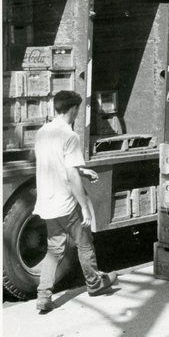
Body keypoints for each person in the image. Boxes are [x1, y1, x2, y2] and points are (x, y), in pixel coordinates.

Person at [34, 91, 118, 313]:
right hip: (66, 202)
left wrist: (83, 169)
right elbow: (71, 177)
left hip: (46, 201)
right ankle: (94, 283)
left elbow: (56, 162)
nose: (78, 114)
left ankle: (43, 295)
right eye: (78, 110)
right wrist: (84, 207)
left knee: (54, 248)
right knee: (84, 241)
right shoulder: (70, 136)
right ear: (73, 109)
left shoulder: (42, 133)